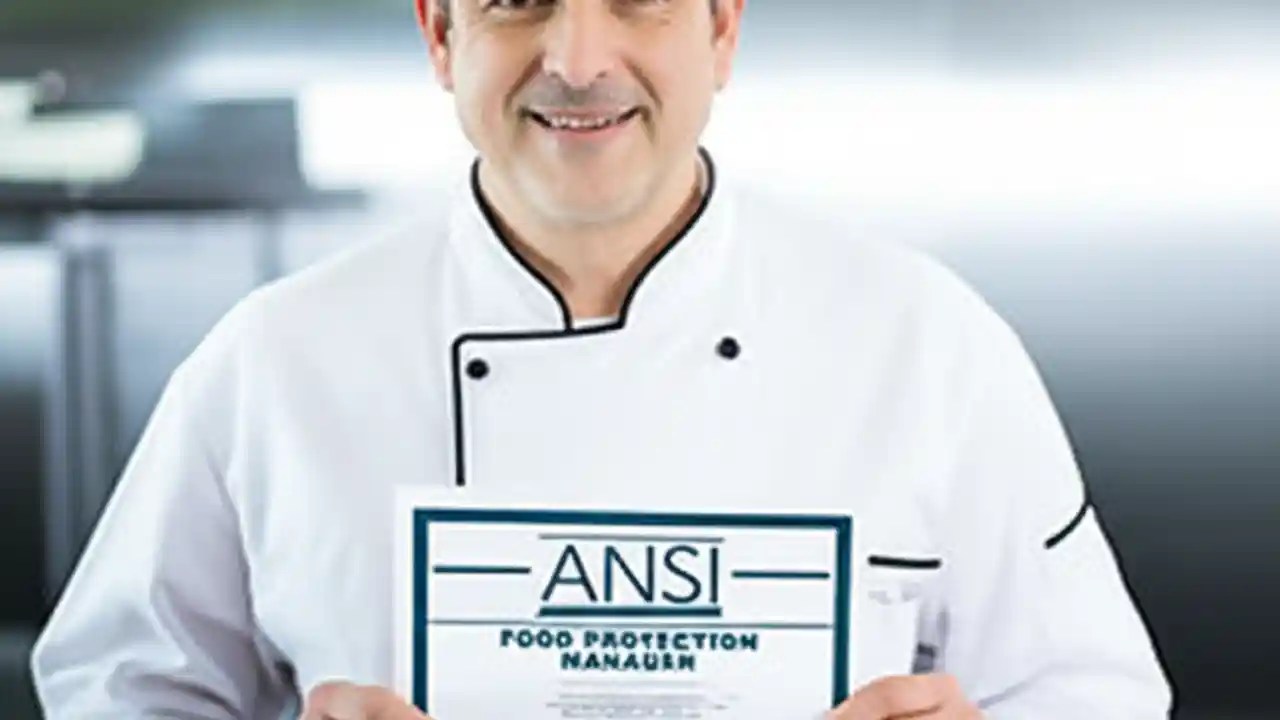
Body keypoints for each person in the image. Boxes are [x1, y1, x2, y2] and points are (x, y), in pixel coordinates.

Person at [31, 0, 1172, 717]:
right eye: (518, 2)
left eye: (637, 0)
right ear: (439, 33)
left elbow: (1091, 693)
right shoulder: (271, 364)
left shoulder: (927, 343)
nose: (578, 57)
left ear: (722, 28)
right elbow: (113, 691)